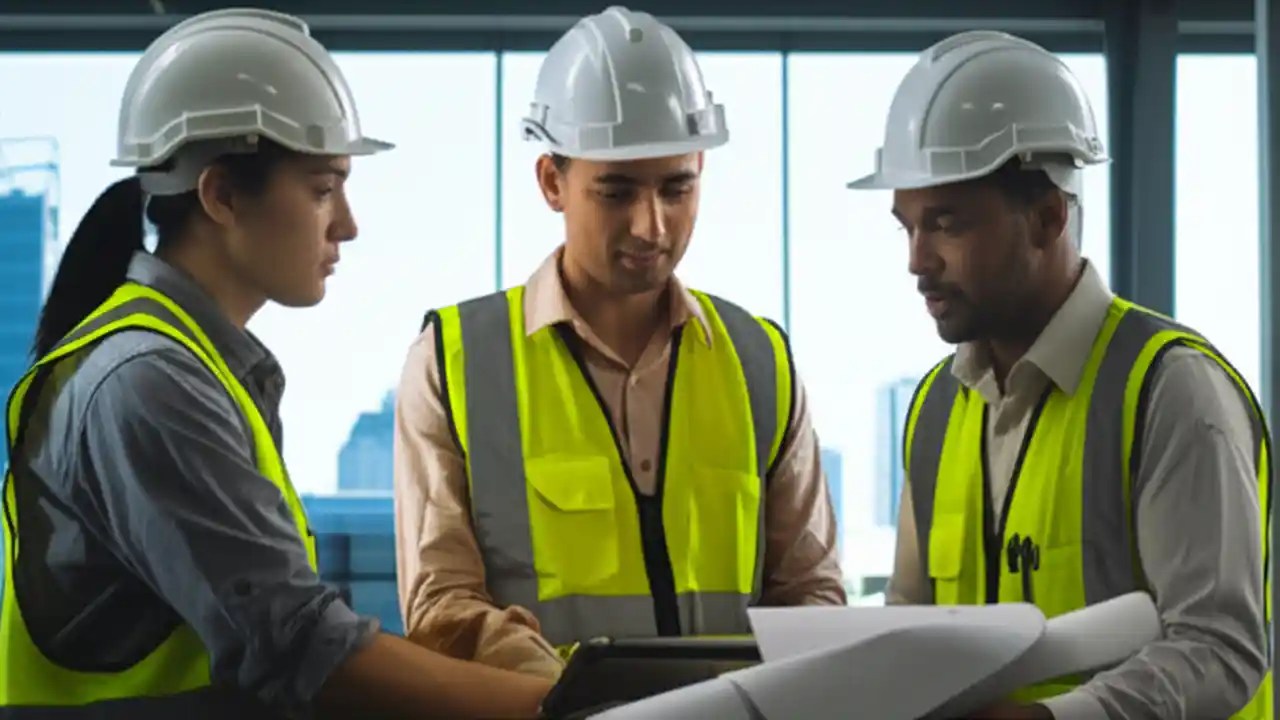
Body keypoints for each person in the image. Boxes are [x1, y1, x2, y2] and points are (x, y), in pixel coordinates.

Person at [0, 9, 551, 719]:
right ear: (222, 195)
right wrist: (554, 706)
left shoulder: (192, 368)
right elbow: (299, 648)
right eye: (323, 190)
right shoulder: (147, 382)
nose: (347, 224)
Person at [392, 5, 845, 680]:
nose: (651, 224)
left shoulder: (760, 362)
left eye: (676, 187)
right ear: (553, 183)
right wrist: (575, 696)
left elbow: (811, 594)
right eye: (616, 191)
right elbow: (442, 607)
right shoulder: (456, 361)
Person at [849, 30, 1272, 720]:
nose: (917, 260)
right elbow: (911, 631)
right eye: (908, 228)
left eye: (946, 224)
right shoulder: (935, 409)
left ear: (1048, 218)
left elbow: (1221, 648)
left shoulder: (1171, 391)